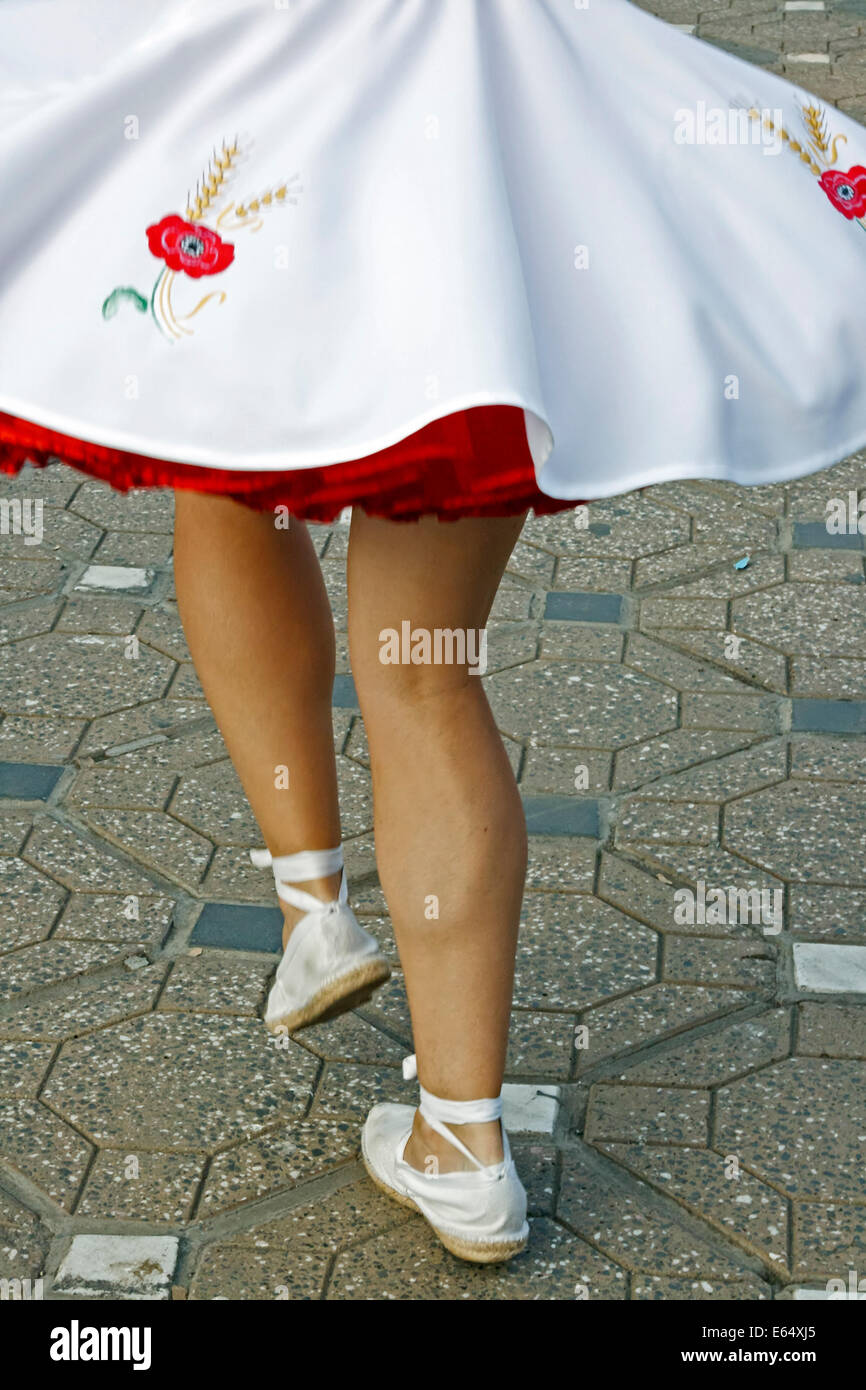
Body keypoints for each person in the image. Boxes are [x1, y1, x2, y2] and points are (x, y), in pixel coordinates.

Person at [3, 0, 866, 1264]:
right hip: (479, 132)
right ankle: (464, 1148)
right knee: (423, 669)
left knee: (232, 461)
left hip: (270, 85)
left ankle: (314, 906)